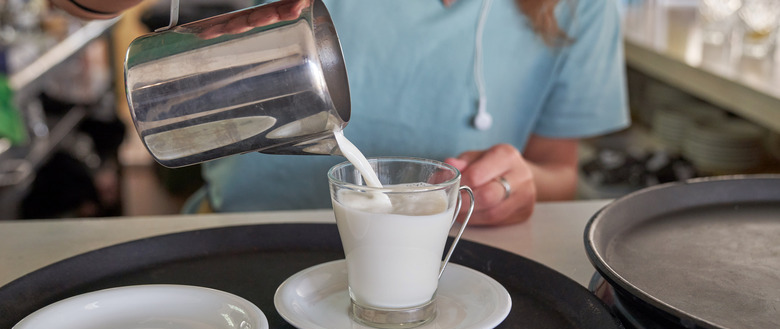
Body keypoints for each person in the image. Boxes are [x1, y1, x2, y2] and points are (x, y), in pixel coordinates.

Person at [52, 0, 630, 226]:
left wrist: (517, 183)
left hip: (443, 273)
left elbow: (561, 171)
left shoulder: (583, 7)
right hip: (238, 252)